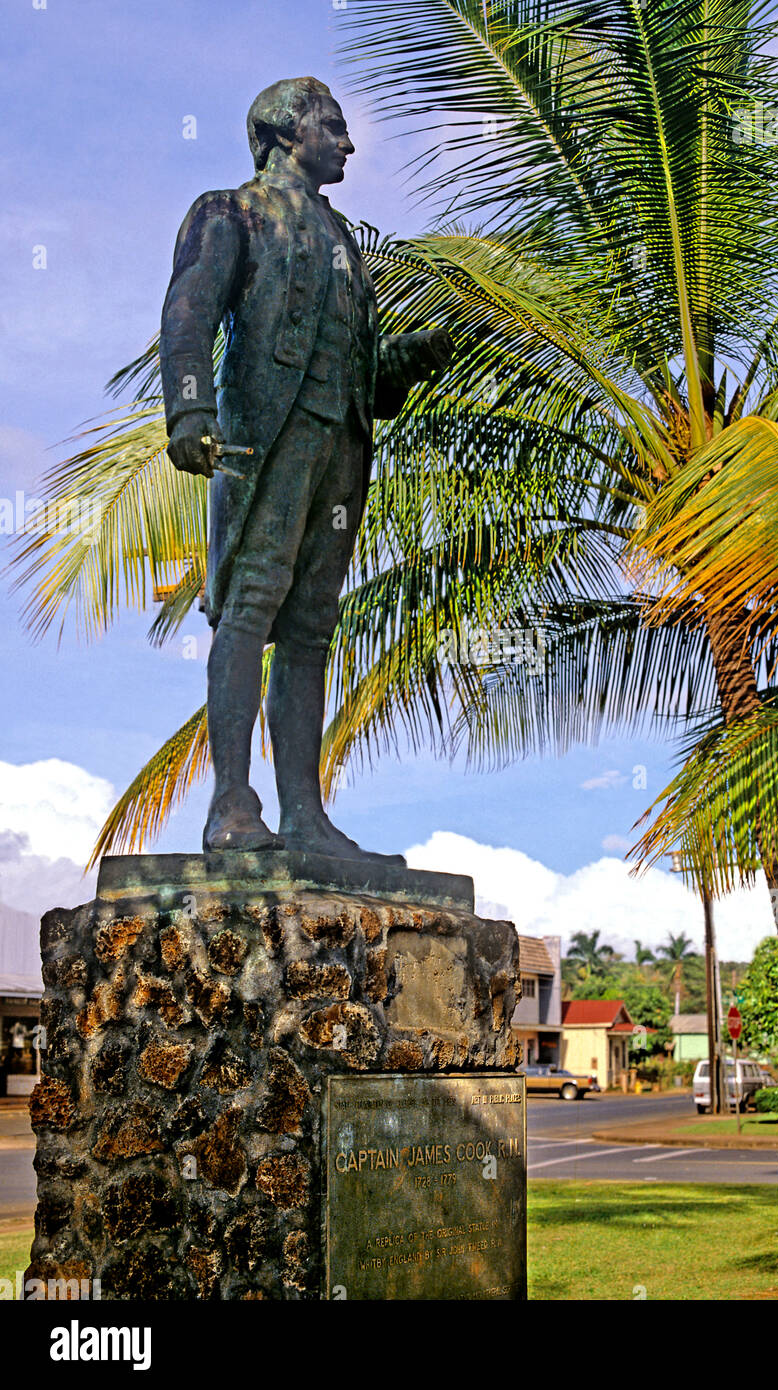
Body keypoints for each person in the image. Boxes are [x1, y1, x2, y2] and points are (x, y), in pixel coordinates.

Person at [160, 77, 453, 860]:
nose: (347, 144)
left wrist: (408, 362)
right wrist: (191, 412)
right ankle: (231, 804)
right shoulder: (231, 211)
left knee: (311, 625)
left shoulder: (344, 240)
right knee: (249, 604)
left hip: (341, 442)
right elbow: (188, 314)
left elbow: (363, 374)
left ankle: (304, 813)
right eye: (333, 127)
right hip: (265, 438)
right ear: (285, 132)